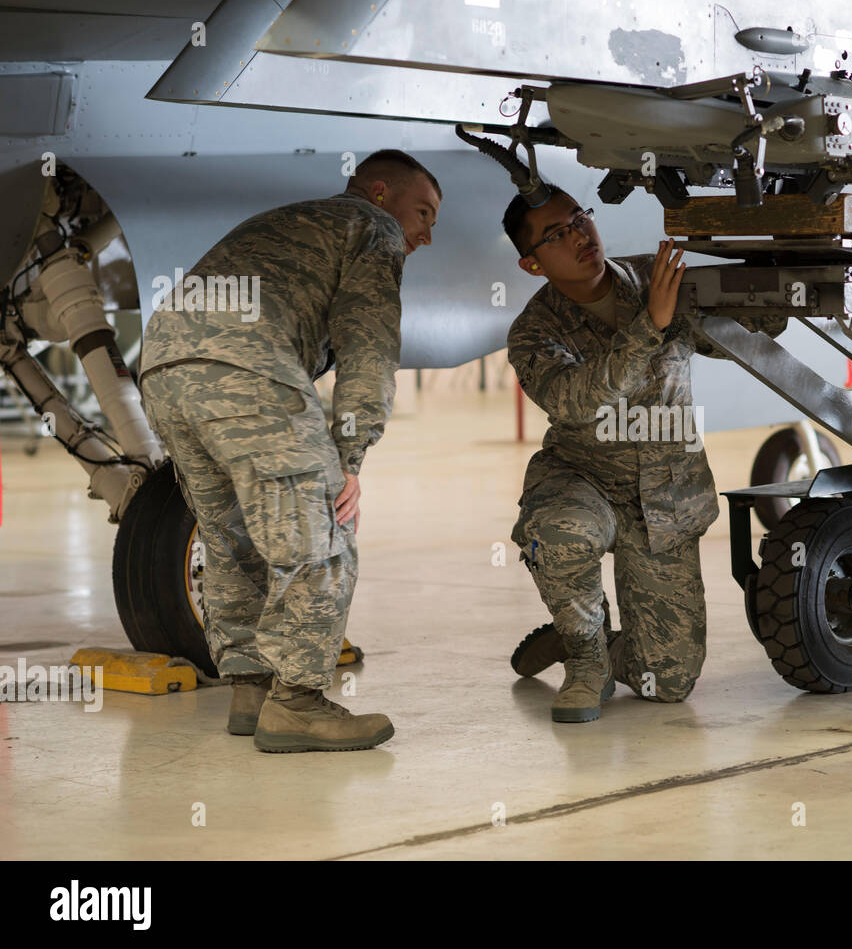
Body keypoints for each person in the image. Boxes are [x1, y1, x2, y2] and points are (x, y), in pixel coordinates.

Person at [139, 149, 440, 752]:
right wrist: (349, 456)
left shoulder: (291, 220)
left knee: (230, 535)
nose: (425, 235)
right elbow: (369, 344)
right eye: (423, 213)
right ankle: (298, 702)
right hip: (247, 364)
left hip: (164, 365)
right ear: (379, 193)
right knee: (321, 528)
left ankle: (251, 689)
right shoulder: (371, 227)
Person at [504, 185, 784, 723]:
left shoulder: (657, 282)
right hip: (583, 478)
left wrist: (774, 292)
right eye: (556, 235)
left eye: (579, 218)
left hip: (665, 497)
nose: (579, 235)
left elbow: (736, 330)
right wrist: (649, 326)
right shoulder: (534, 331)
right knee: (562, 534)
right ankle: (586, 662)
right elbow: (576, 399)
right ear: (532, 263)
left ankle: (590, 643)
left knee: (670, 682)